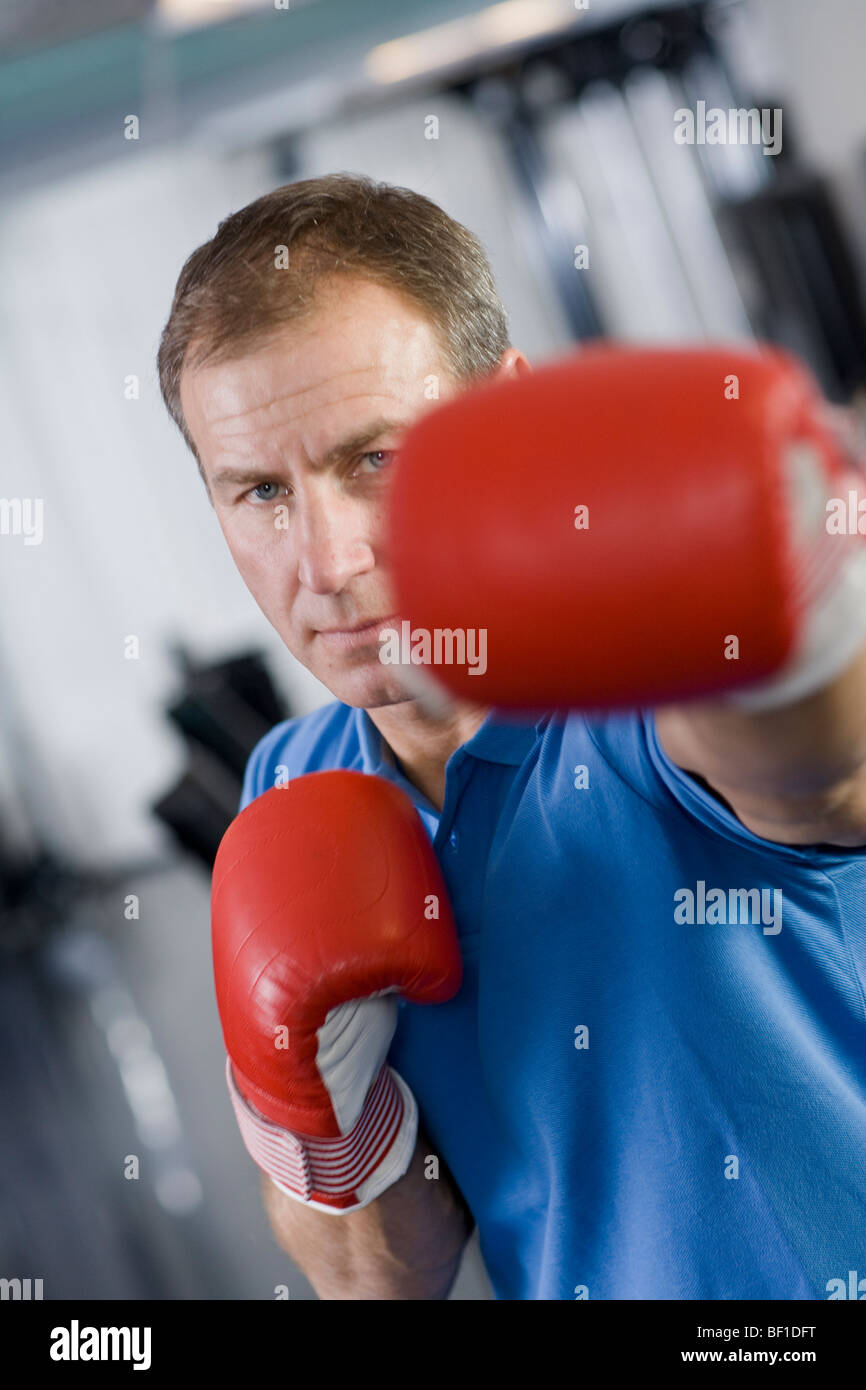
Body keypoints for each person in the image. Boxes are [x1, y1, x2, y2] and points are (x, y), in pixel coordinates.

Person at [158, 173, 866, 1301]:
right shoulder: (289, 786)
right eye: (258, 492)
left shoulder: (643, 676)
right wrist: (320, 1121)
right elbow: (381, 1283)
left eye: (373, 459)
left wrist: (797, 587)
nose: (328, 562)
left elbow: (817, 771)